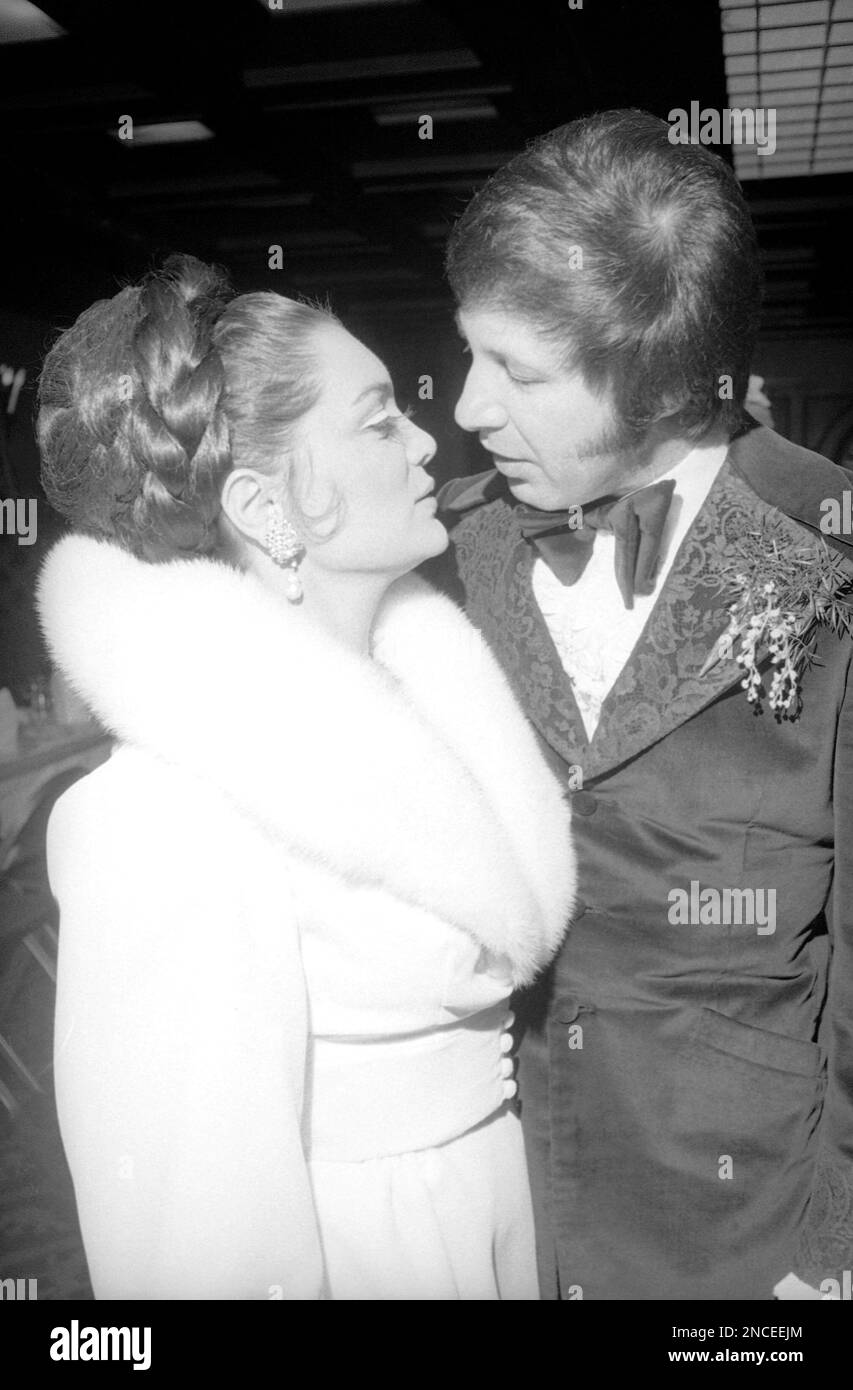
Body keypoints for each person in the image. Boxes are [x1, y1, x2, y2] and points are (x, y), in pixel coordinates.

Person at [35, 255, 576, 1300]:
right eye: (379, 421)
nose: (429, 440)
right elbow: (190, 1245)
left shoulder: (434, 689)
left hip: (496, 1225)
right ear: (263, 501)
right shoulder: (160, 809)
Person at [426, 109, 853, 1301]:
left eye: (515, 370)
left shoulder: (830, 557)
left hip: (734, 1221)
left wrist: (838, 1242)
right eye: (471, 353)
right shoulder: (451, 542)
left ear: (665, 386)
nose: (463, 407)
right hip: (496, 1178)